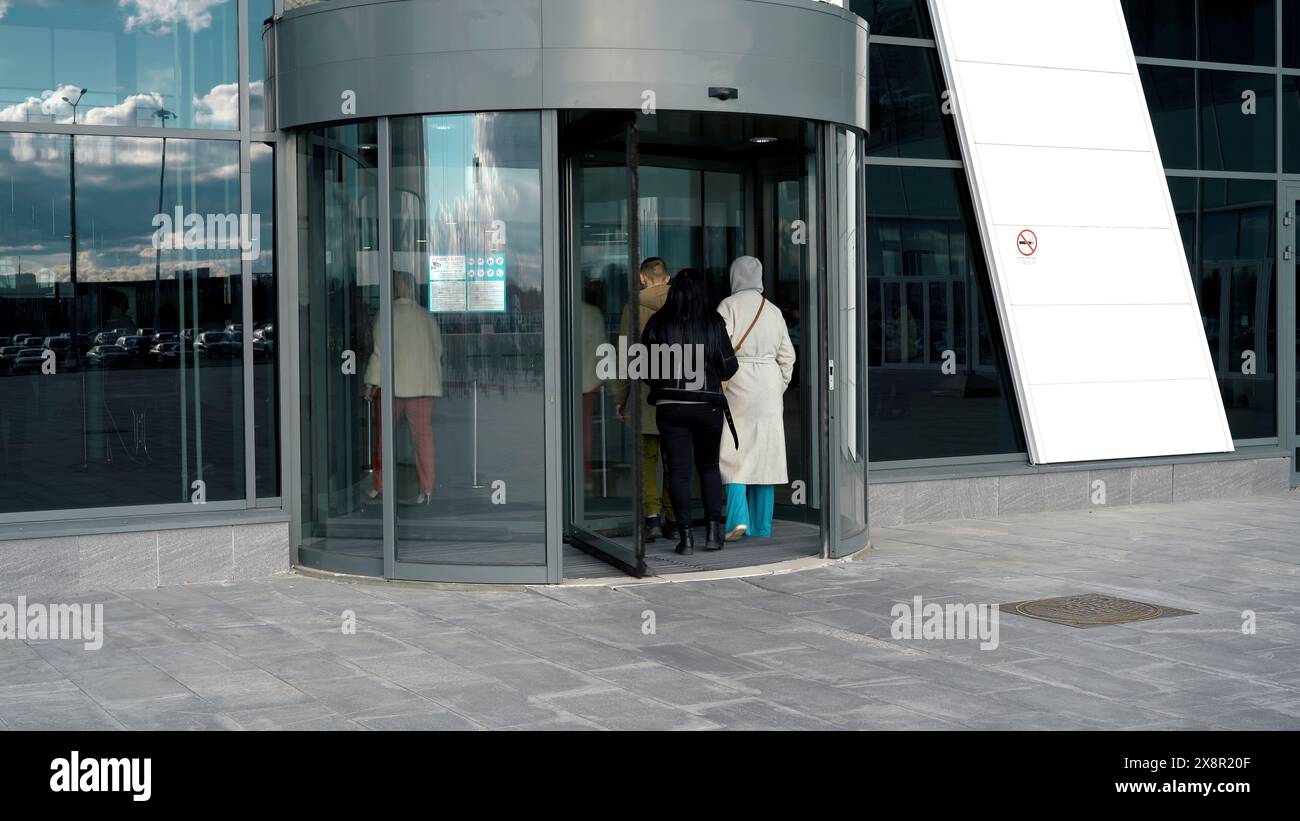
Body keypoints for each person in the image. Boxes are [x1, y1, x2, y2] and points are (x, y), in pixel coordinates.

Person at [642, 268, 738, 555]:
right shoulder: (713, 323)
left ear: (673, 292)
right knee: (708, 468)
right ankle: (711, 533)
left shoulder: (658, 322)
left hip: (670, 407)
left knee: (679, 473)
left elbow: (645, 368)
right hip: (707, 406)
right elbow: (729, 366)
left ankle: (685, 539)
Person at [717, 256, 795, 541]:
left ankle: (738, 519)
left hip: (738, 382)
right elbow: (788, 355)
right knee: (766, 455)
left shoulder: (728, 306)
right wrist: (778, 385)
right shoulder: (773, 311)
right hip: (769, 384)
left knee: (734, 452)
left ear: (734, 275)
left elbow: (718, 347)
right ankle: (762, 527)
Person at [364, 269, 444, 505]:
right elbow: (437, 350)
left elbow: (378, 354)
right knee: (423, 438)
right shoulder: (426, 316)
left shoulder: (385, 315)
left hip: (392, 387)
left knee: (384, 440)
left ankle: (380, 486)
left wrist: (370, 383)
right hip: (422, 387)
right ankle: (427, 489)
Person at [613, 257, 675, 541]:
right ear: (667, 277)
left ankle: (652, 518)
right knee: (676, 458)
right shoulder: (682, 303)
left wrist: (620, 395)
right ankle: (674, 516)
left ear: (641, 277)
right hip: (679, 392)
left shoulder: (633, 307)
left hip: (646, 393)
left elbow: (626, 354)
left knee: (647, 458)